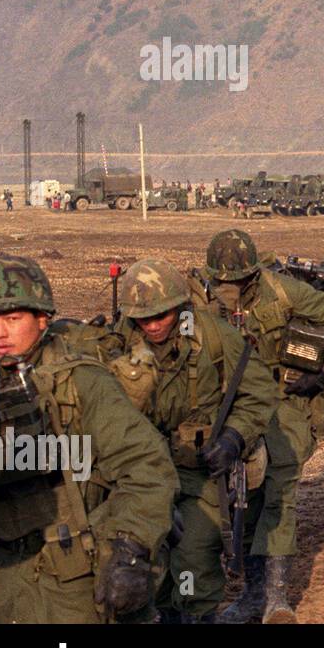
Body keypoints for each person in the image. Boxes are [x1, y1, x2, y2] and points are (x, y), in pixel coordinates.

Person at [0, 255, 176, 624]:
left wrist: (130, 550)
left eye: (12, 319)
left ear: (43, 319)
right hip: (1, 582)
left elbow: (147, 466)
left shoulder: (80, 382)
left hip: (75, 581)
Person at [190, 229, 324, 624]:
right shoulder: (201, 302)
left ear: (251, 276)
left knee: (279, 492)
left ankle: (277, 598)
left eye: (235, 282)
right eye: (220, 282)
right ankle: (251, 593)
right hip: (233, 408)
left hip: (284, 405)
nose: (227, 289)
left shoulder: (282, 291)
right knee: (241, 496)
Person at [102, 258, 279, 622]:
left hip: (199, 475)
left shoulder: (213, 336)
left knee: (195, 561)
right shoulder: (116, 346)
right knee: (148, 568)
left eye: (160, 315)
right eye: (143, 318)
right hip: (142, 478)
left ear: (179, 307)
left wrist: (234, 437)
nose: (152, 326)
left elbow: (259, 391)